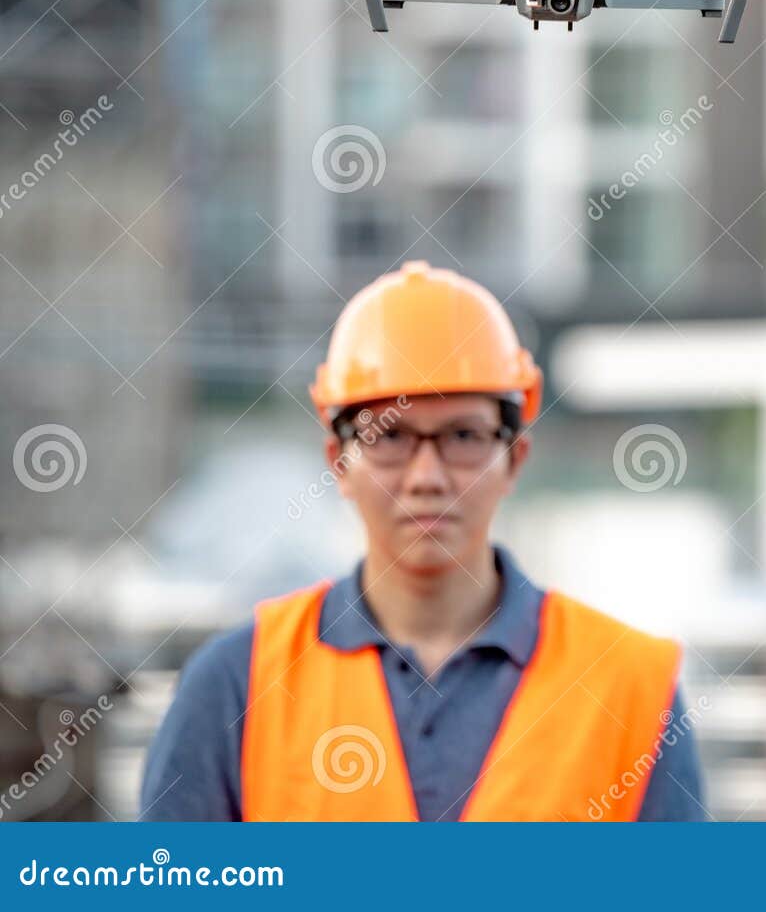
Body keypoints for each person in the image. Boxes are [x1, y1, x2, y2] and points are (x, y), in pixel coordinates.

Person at [140, 260, 704, 821]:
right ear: (339, 463)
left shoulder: (632, 691)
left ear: (515, 458)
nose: (427, 477)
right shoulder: (239, 686)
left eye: (463, 435)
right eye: (390, 437)